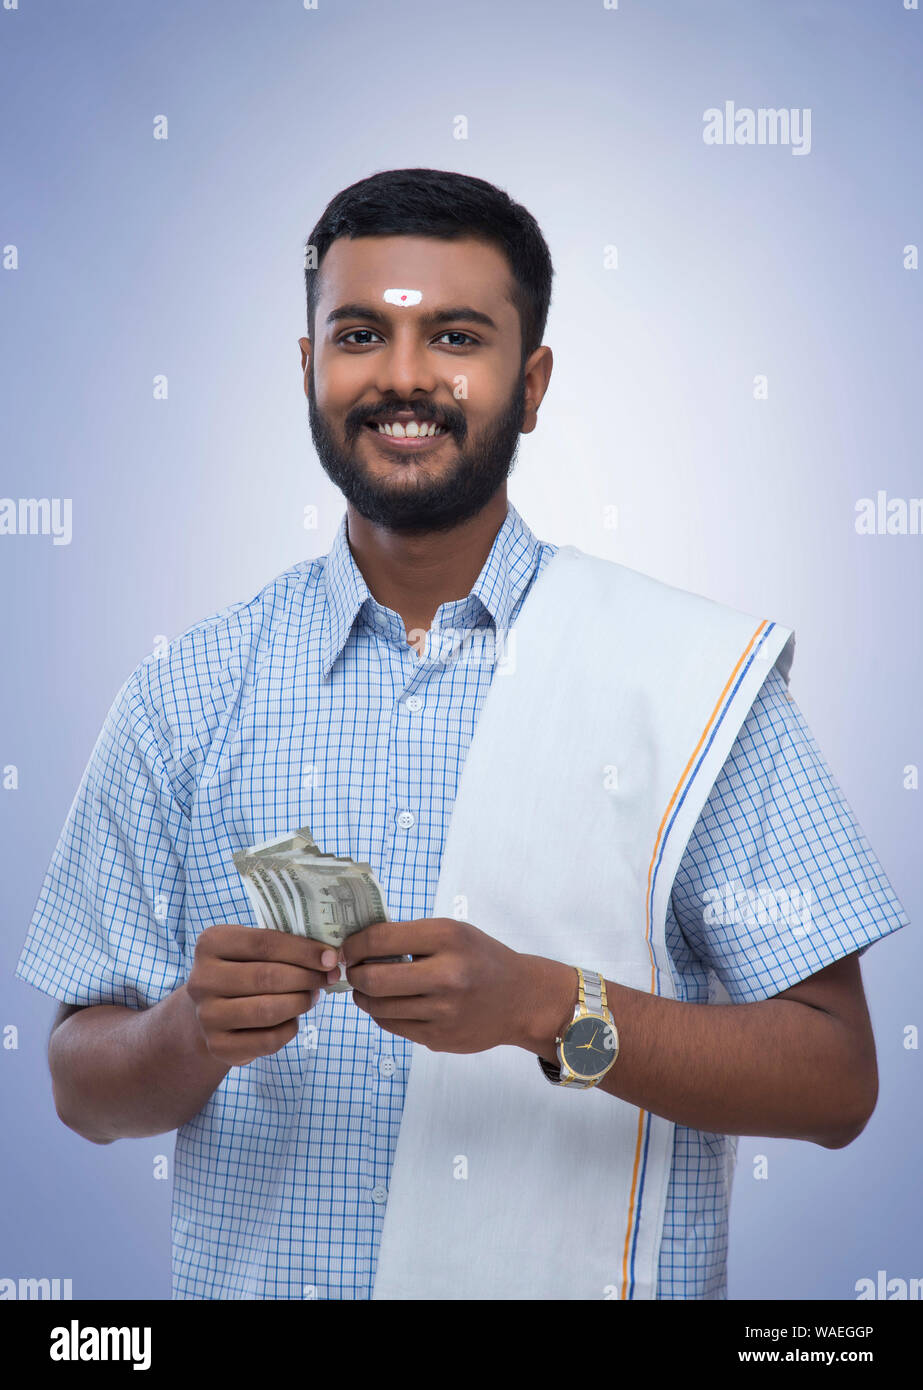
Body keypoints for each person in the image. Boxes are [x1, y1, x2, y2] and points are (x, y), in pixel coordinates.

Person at [16, 167, 908, 1301]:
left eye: (453, 335)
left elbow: (835, 1082)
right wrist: (187, 1033)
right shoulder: (184, 692)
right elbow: (79, 1087)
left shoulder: (683, 679)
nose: (401, 376)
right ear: (306, 370)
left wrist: (543, 1007)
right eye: (357, 333)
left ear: (529, 383)